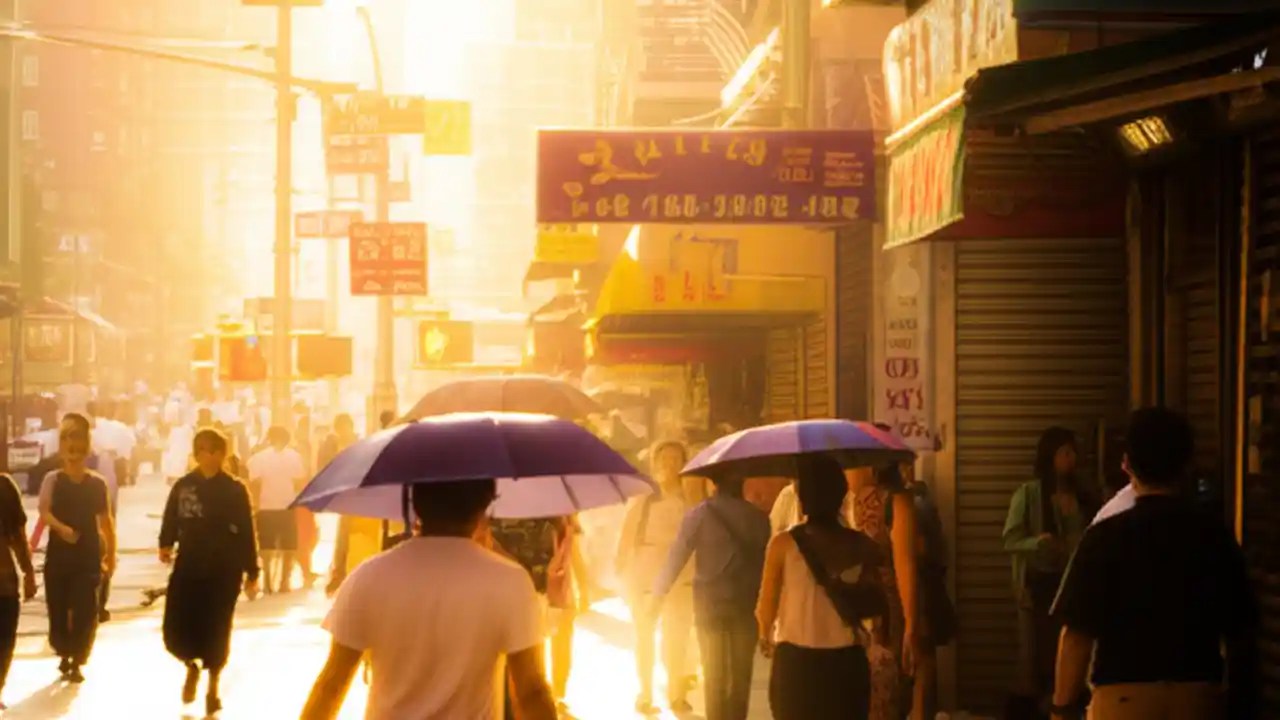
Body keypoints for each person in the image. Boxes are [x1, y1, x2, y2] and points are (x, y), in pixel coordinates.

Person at [1050, 408, 1257, 720]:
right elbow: (1242, 633)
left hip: (1123, 700)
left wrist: (1062, 708)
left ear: (1127, 464)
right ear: (1188, 465)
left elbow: (1076, 636)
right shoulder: (1215, 536)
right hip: (1197, 699)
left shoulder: (1104, 537)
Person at [301, 479, 557, 720]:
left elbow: (331, 684)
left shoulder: (369, 575)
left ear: (415, 505)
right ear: (483, 509)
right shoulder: (509, 580)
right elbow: (530, 690)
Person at [756, 455, 883, 720]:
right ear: (841, 495)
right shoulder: (861, 544)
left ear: (802, 500)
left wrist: (765, 635)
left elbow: (765, 605)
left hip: (796, 663)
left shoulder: (782, 545)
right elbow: (875, 602)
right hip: (847, 662)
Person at [651, 473, 769, 720]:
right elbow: (764, 564)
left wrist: (658, 593)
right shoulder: (758, 518)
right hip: (745, 603)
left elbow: (677, 555)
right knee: (741, 673)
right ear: (742, 483)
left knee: (714, 672)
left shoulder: (698, 514)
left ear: (712, 483)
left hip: (709, 603)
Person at [159, 429, 261, 717]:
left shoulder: (235, 489)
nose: (208, 455)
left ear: (223, 454)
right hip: (189, 565)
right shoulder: (183, 486)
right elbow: (171, 518)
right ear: (195, 453)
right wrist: (165, 543)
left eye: (213, 450)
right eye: (202, 449)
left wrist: (252, 569)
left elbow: (246, 531)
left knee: (217, 628)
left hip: (223, 570)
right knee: (177, 626)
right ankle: (190, 665)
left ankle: (213, 686)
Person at [1002, 427, 1098, 718]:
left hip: (1074, 585)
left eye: (1073, 452)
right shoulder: (1029, 494)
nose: (1071, 459)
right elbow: (1010, 539)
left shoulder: (1084, 496)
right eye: (1064, 453)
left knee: (1072, 659)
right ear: (1050, 457)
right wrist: (1038, 543)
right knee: (1036, 662)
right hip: (1040, 588)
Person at [615, 440, 697, 714]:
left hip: (681, 575)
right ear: (655, 463)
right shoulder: (643, 497)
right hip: (646, 576)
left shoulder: (690, 500)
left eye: (676, 459)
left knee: (677, 638)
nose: (669, 465)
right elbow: (626, 538)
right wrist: (622, 572)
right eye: (664, 459)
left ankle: (677, 693)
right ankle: (645, 693)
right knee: (644, 635)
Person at [39, 413, 116, 683]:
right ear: (62, 450)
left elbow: (106, 523)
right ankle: (63, 651)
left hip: (88, 556)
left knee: (85, 610)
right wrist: (62, 529)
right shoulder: (53, 480)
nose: (74, 455)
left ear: (86, 451)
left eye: (79, 450)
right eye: (70, 449)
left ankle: (77, 660)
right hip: (59, 555)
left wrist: (111, 557)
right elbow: (44, 511)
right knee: (59, 607)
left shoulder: (97, 484)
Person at [489, 515, 589, 714]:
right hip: (520, 593)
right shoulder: (497, 513)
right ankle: (549, 694)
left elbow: (569, 548)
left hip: (542, 591)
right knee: (529, 664)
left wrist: (580, 583)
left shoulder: (557, 513)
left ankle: (557, 691)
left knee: (542, 652)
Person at [845, 461, 919, 720]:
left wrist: (911, 625)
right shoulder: (883, 502)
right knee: (883, 688)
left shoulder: (886, 502)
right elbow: (903, 566)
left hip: (874, 608)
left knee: (878, 688)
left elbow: (904, 565)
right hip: (878, 609)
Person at [247, 426, 306, 594]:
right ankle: (284, 582)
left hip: (266, 506)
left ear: (270, 438)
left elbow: (255, 482)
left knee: (266, 545)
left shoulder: (259, 458)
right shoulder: (295, 457)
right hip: (288, 505)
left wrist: (256, 504)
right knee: (289, 545)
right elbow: (300, 481)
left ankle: (266, 581)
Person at [0, 474, 37, 710]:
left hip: (4, 584)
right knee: (3, 643)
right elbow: (18, 536)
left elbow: (18, 535)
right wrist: (28, 572)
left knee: (4, 642)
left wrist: (28, 571)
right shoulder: (3, 486)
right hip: (4, 584)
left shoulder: (4, 487)